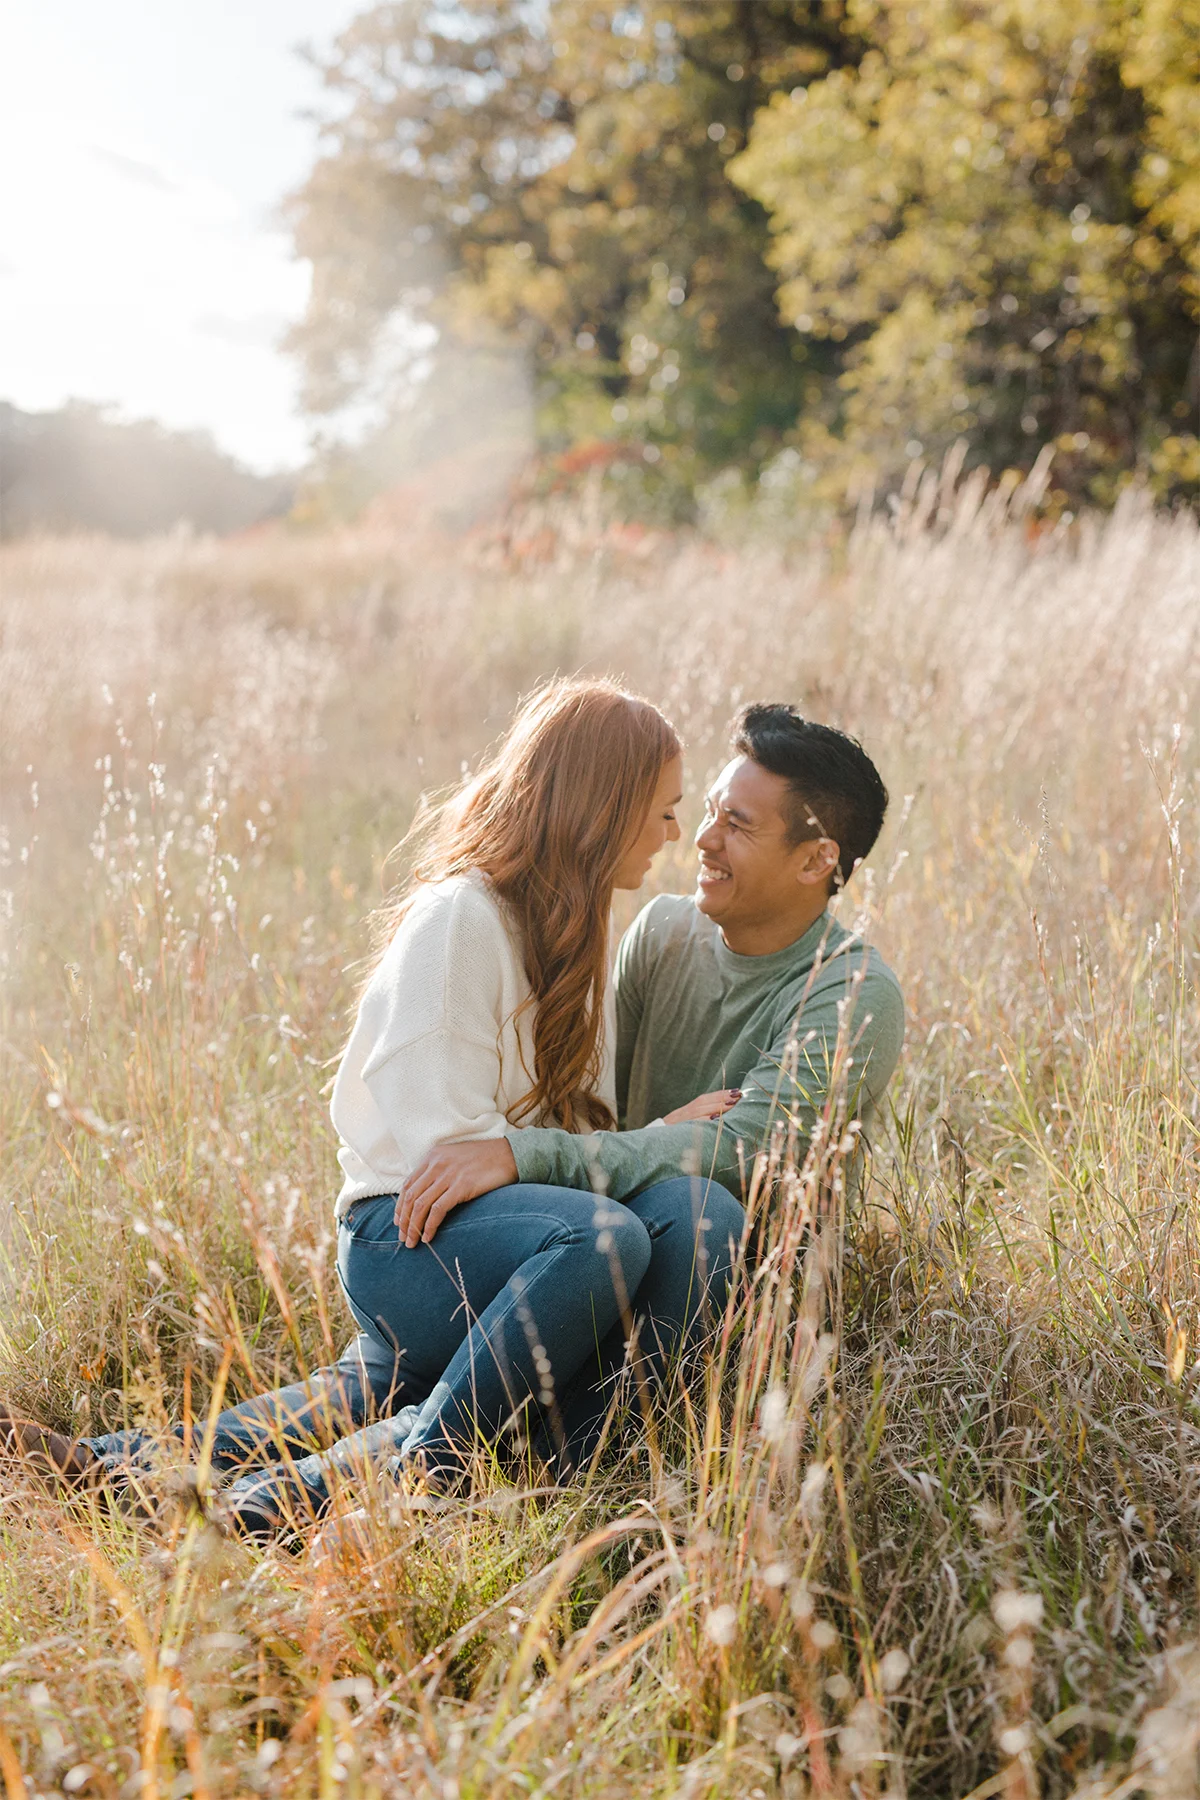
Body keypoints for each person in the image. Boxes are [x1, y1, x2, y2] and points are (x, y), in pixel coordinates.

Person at [0, 679, 745, 1523]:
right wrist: (625, 1151)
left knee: (680, 1223)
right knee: (602, 1240)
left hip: (515, 1247)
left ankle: (115, 1472)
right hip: (411, 1238)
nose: (675, 833)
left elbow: (562, 1137)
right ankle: (401, 1482)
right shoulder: (462, 919)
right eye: (664, 810)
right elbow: (453, 1160)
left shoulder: (579, 937)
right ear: (600, 809)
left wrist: (643, 1147)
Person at [242, 702, 907, 1516]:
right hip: (588, 1250)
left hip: (709, 1292)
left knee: (699, 1211)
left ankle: (503, 1481)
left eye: (736, 825)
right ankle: (173, 1477)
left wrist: (530, 1156)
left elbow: (744, 1146)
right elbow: (591, 1121)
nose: (698, 838)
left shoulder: (853, 992)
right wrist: (603, 1149)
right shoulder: (658, 935)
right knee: (430, 1379)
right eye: (699, 811)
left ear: (815, 861)